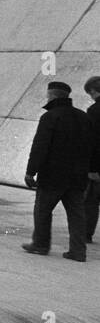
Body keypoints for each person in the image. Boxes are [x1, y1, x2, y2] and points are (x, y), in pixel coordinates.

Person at [23, 80, 100, 261]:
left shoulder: (50, 117)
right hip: (78, 176)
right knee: (76, 214)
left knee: (43, 210)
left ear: (51, 96)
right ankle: (78, 251)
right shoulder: (83, 117)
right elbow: (93, 147)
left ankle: (40, 245)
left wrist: (30, 171)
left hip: (53, 175)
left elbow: (40, 146)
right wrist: (92, 169)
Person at [85, 76, 100, 242]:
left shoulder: (94, 111)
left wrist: (92, 169)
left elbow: (94, 142)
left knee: (90, 202)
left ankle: (87, 234)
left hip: (97, 166)